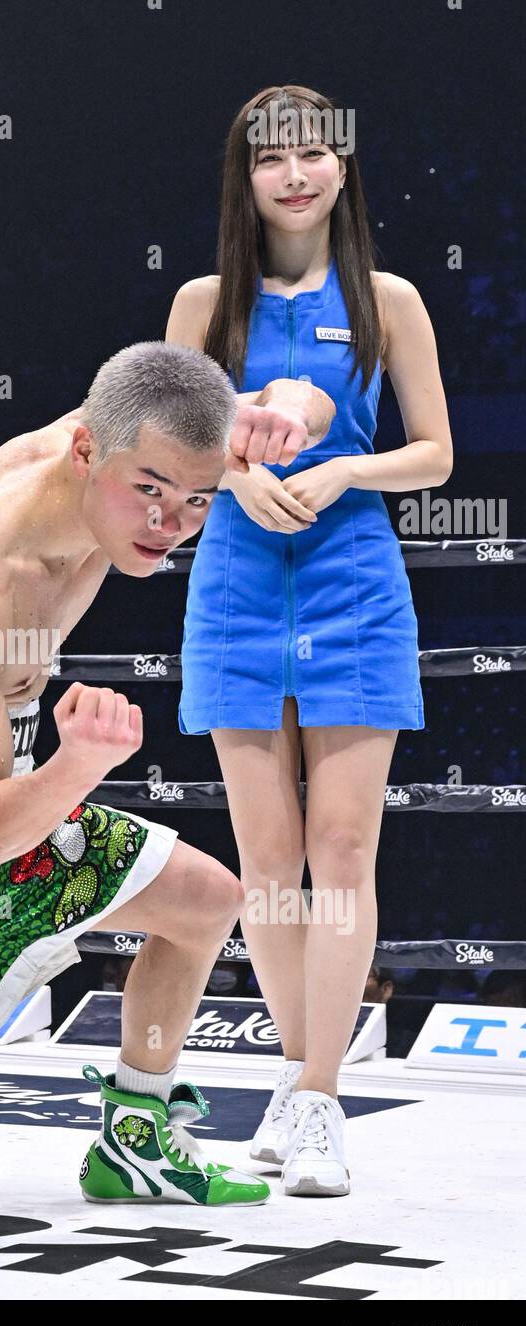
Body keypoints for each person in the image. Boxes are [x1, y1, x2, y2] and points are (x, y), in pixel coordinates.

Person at [0, 339, 336, 1293]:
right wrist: (79, 765)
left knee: (209, 900)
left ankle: (135, 1138)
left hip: (8, 764)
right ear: (87, 455)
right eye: (152, 493)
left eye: (198, 499)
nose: (171, 524)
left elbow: (282, 407)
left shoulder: (124, 434)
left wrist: (283, 405)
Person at [166, 85, 453, 1196]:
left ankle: (326, 1096)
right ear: (243, 178)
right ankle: (295, 1075)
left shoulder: (388, 300)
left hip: (351, 579)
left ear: (341, 169)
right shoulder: (202, 304)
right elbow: (165, 444)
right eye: (270, 158)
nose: (294, 174)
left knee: (341, 855)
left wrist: (339, 469)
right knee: (268, 866)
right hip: (235, 585)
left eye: (313, 154)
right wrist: (235, 474)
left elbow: (430, 452)